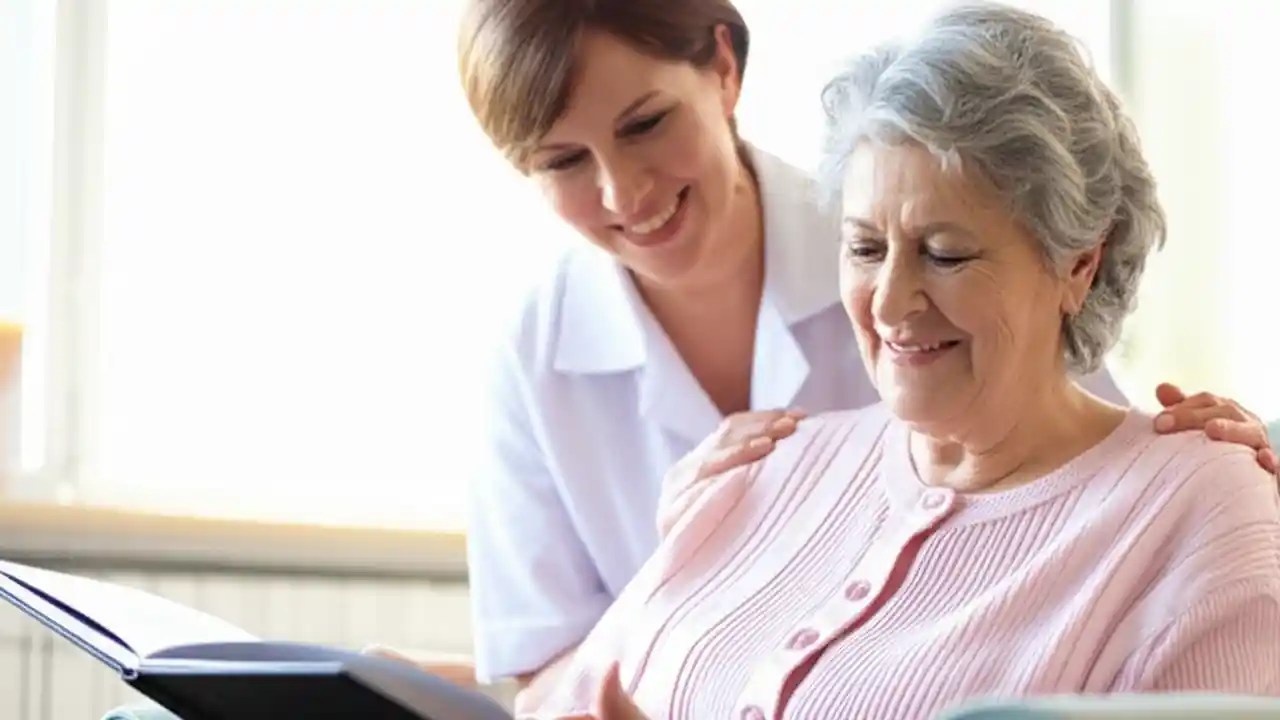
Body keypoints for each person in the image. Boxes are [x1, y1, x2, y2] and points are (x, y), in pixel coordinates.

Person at [448, 0, 1278, 696]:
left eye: (946, 254)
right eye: (865, 249)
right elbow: (559, 680)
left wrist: (1226, 480)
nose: (623, 193)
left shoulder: (1187, 500)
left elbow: (1069, 440)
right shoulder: (753, 468)